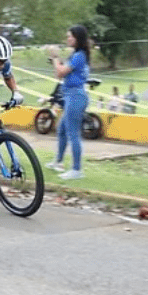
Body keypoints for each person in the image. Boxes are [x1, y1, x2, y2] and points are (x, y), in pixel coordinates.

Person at [47, 25, 91, 180]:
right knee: (62, 130)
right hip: (72, 95)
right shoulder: (76, 55)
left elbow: (59, 72)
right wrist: (55, 60)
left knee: (73, 133)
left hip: (75, 96)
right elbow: (59, 73)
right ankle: (58, 162)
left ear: (77, 38)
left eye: (70, 36)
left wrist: (55, 57)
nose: (67, 39)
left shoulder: (79, 55)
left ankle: (76, 170)